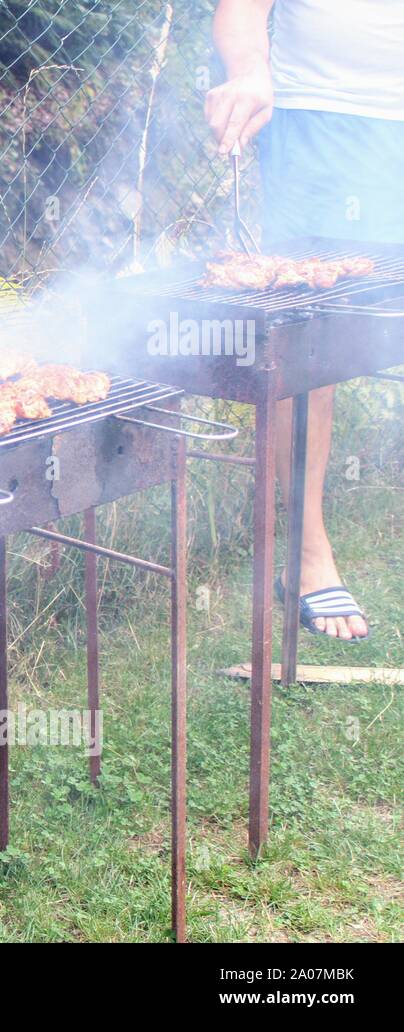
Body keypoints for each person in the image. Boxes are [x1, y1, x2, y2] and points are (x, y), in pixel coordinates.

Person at [204, 0, 404, 641]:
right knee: (312, 341)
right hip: (321, 121)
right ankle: (306, 551)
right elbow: (240, 14)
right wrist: (249, 71)